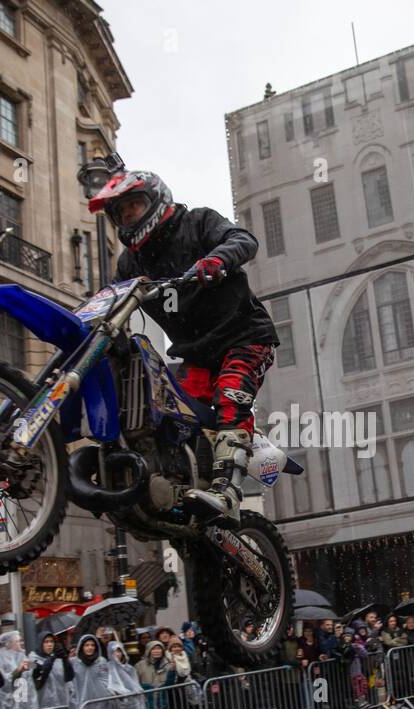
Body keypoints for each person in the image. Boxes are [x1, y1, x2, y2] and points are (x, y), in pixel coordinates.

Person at [95, 167, 278, 526]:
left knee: (230, 395)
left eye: (134, 204)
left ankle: (228, 492)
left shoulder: (197, 222)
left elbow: (244, 239)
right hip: (196, 354)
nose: (129, 214)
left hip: (244, 336)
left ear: (155, 200)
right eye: (122, 211)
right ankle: (182, 483)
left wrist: (217, 259)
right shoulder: (130, 263)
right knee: (171, 416)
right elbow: (110, 299)